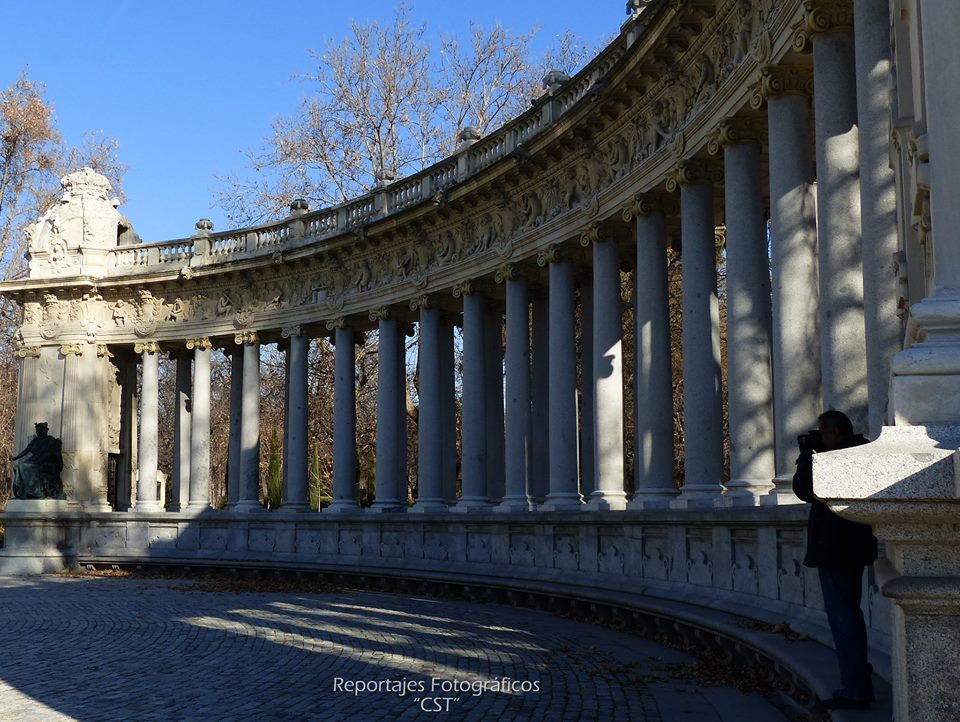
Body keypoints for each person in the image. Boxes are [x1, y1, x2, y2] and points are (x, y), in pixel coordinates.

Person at [792, 409, 877, 710]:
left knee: (843, 618)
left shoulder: (840, 459)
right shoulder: (861, 452)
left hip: (837, 550)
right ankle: (858, 679)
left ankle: (854, 687)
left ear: (835, 432)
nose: (819, 437)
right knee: (848, 616)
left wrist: (806, 453)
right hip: (848, 549)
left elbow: (804, 488)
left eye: (822, 432)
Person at [10, 422, 64, 500]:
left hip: (44, 462)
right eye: (37, 431)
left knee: (27, 468)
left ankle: (34, 491)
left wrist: (57, 463)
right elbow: (26, 450)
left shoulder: (50, 440)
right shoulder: (35, 441)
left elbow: (56, 454)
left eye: (38, 431)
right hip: (35, 461)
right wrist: (16, 457)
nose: (37, 432)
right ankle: (25, 489)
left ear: (44, 431)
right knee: (20, 467)